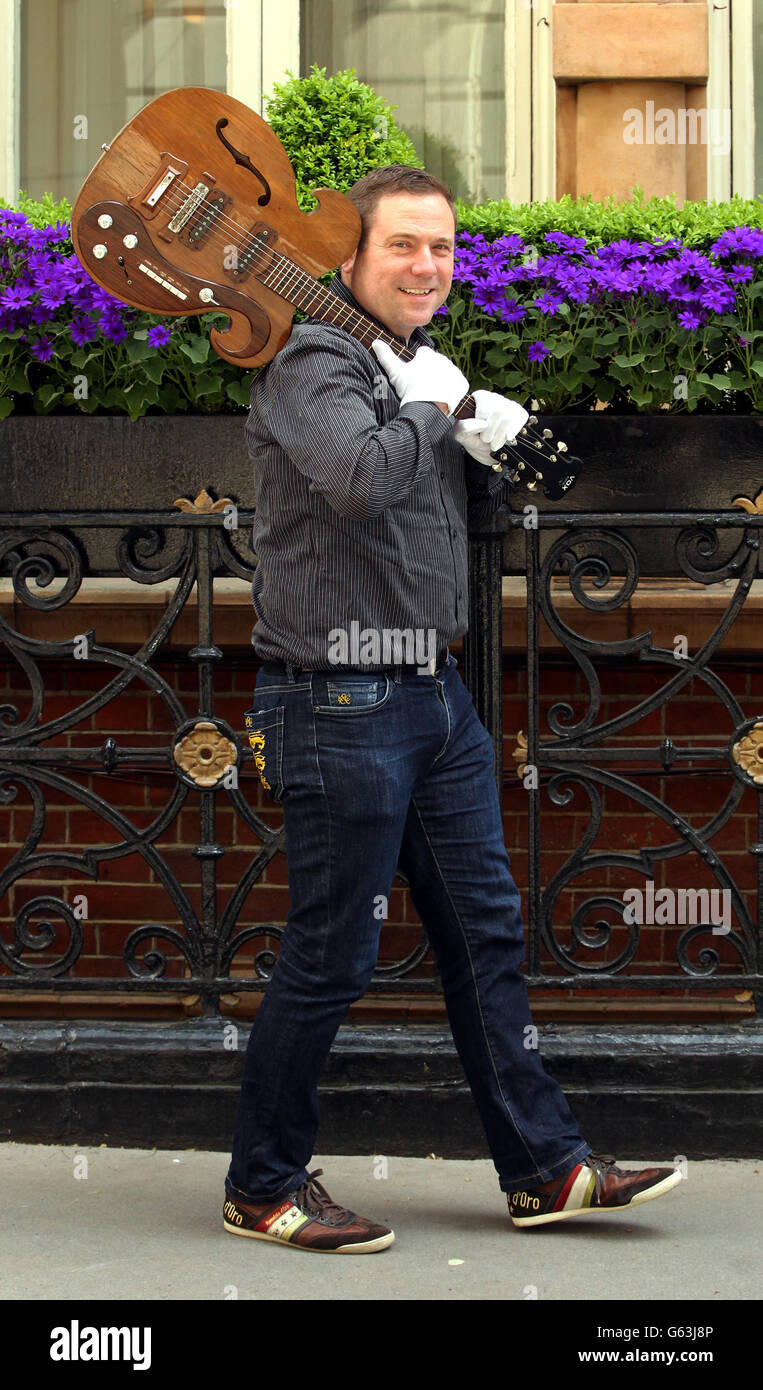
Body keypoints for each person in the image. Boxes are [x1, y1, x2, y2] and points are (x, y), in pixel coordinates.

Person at [222, 165, 682, 1253]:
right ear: (349, 257)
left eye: (441, 248)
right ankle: (261, 1185)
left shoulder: (406, 366)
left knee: (483, 939)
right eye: (402, 247)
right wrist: (433, 401)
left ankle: (544, 1166)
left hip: (432, 696)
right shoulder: (310, 357)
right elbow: (356, 479)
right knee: (331, 954)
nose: (427, 266)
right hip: (338, 697)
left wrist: (474, 433)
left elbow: (415, 509)